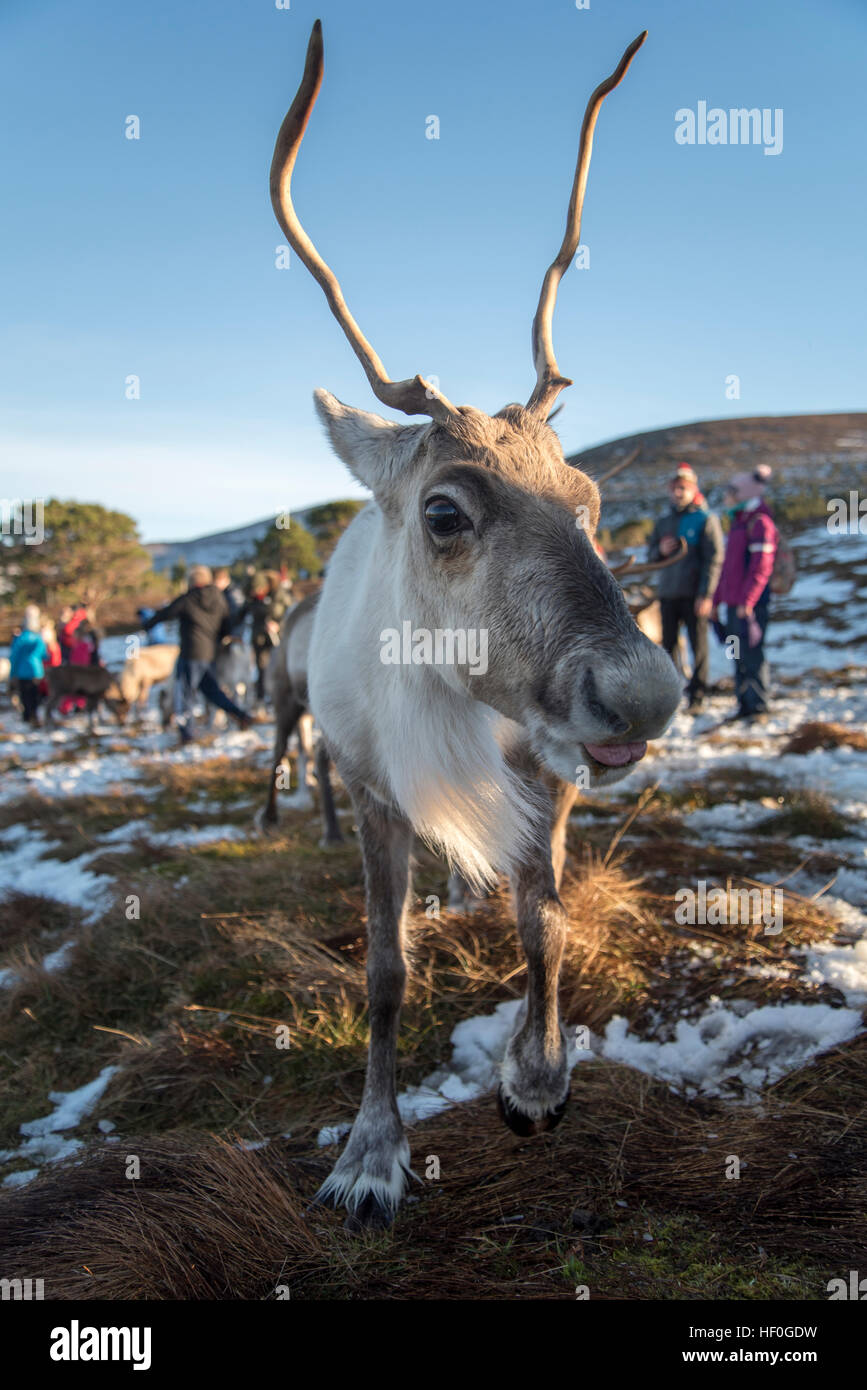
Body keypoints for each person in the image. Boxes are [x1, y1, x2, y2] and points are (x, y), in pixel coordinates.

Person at [141, 565, 252, 743]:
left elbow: (167, 613)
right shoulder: (219, 598)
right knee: (212, 690)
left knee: (185, 693)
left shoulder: (188, 598)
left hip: (190, 653)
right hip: (210, 654)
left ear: (192, 582)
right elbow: (227, 625)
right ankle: (240, 714)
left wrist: (147, 623)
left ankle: (187, 731)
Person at [646, 464, 724, 712]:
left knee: (697, 646)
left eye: (683, 489)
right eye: (674, 489)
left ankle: (697, 696)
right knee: (667, 648)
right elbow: (651, 555)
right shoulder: (664, 522)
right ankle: (669, 696)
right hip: (668, 594)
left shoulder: (705, 519)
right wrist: (660, 551)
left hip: (694, 595)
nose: (678, 493)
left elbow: (714, 559)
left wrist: (706, 594)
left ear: (692, 490)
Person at [712, 464, 778, 724]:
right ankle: (744, 706)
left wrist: (747, 602)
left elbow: (761, 567)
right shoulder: (738, 524)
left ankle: (758, 706)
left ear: (745, 494)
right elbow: (727, 569)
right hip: (732, 603)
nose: (727, 498)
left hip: (749, 606)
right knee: (737, 654)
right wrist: (717, 600)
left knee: (752, 654)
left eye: (732, 493)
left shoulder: (760, 523)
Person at [241, 572, 290, 704]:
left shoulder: (279, 596)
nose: (257, 592)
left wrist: (278, 625)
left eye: (259, 589)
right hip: (259, 637)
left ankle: (279, 696)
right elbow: (242, 613)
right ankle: (261, 697)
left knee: (278, 667)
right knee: (261, 667)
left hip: (277, 638)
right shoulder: (253, 599)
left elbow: (289, 614)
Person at [9, 605, 48, 725]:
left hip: (22, 672)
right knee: (34, 695)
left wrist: (12, 674)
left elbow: (14, 657)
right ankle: (34, 716)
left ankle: (27, 717)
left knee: (25, 696)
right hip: (36, 671)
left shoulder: (20, 638)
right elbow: (44, 655)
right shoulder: (38, 638)